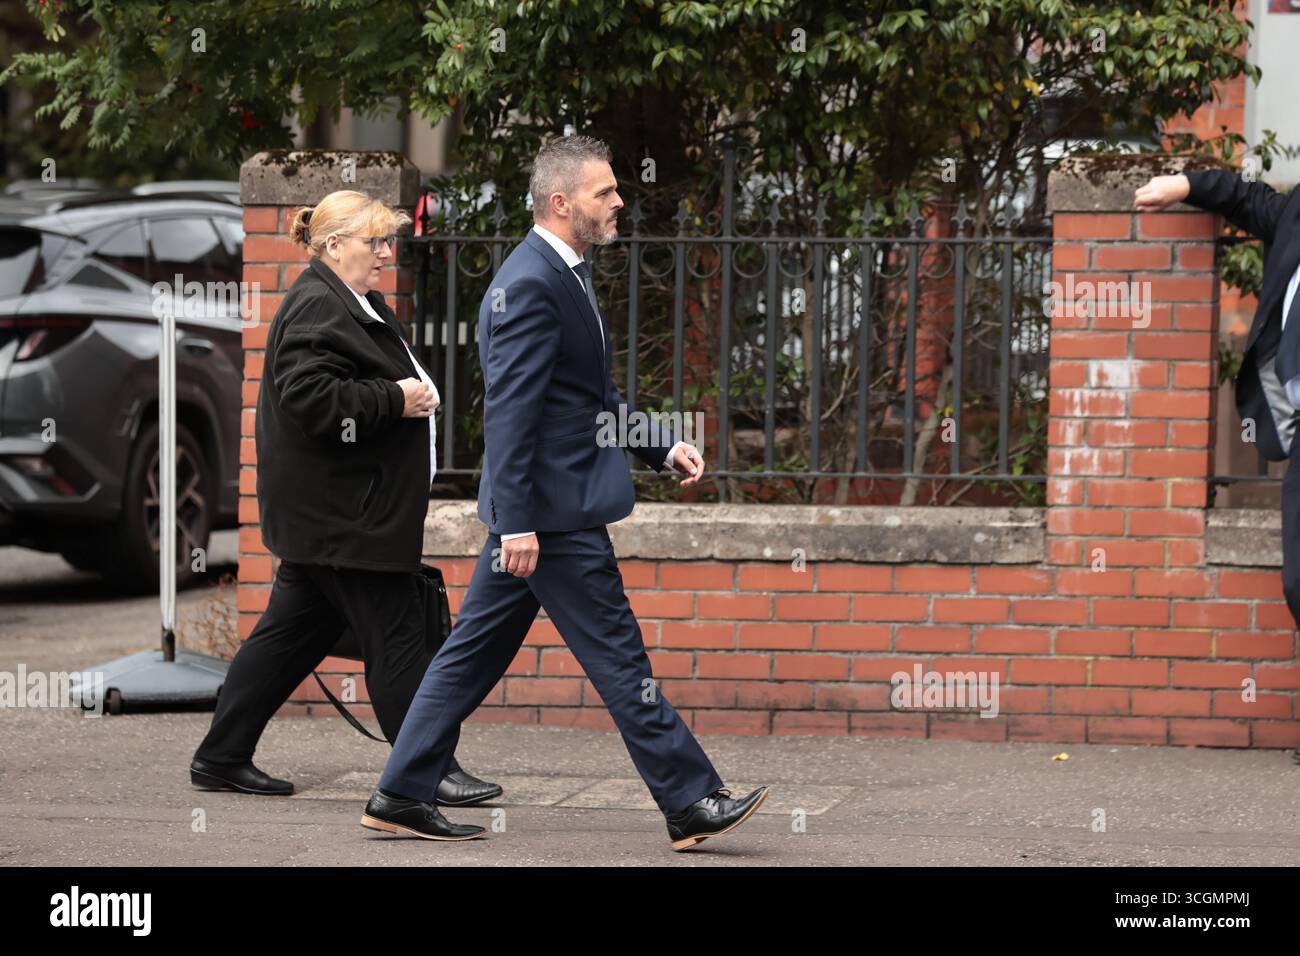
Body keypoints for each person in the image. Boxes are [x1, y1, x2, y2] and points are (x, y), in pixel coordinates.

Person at [359, 136, 768, 850]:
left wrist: (661, 444)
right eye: (604, 192)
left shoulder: (562, 274)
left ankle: (399, 793)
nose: (617, 201)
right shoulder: (530, 284)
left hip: (544, 513)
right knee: (620, 660)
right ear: (560, 203)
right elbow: (511, 414)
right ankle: (691, 800)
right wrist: (516, 523)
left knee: (469, 656)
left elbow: (588, 401)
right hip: (551, 520)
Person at [190, 189, 500, 806]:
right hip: (347, 522)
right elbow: (312, 402)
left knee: (287, 637)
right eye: (374, 242)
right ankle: (426, 772)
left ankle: (221, 757)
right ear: (335, 245)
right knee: (401, 638)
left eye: (388, 240)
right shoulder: (317, 306)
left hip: (336, 520)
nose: (386, 253)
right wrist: (397, 400)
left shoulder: (350, 300)